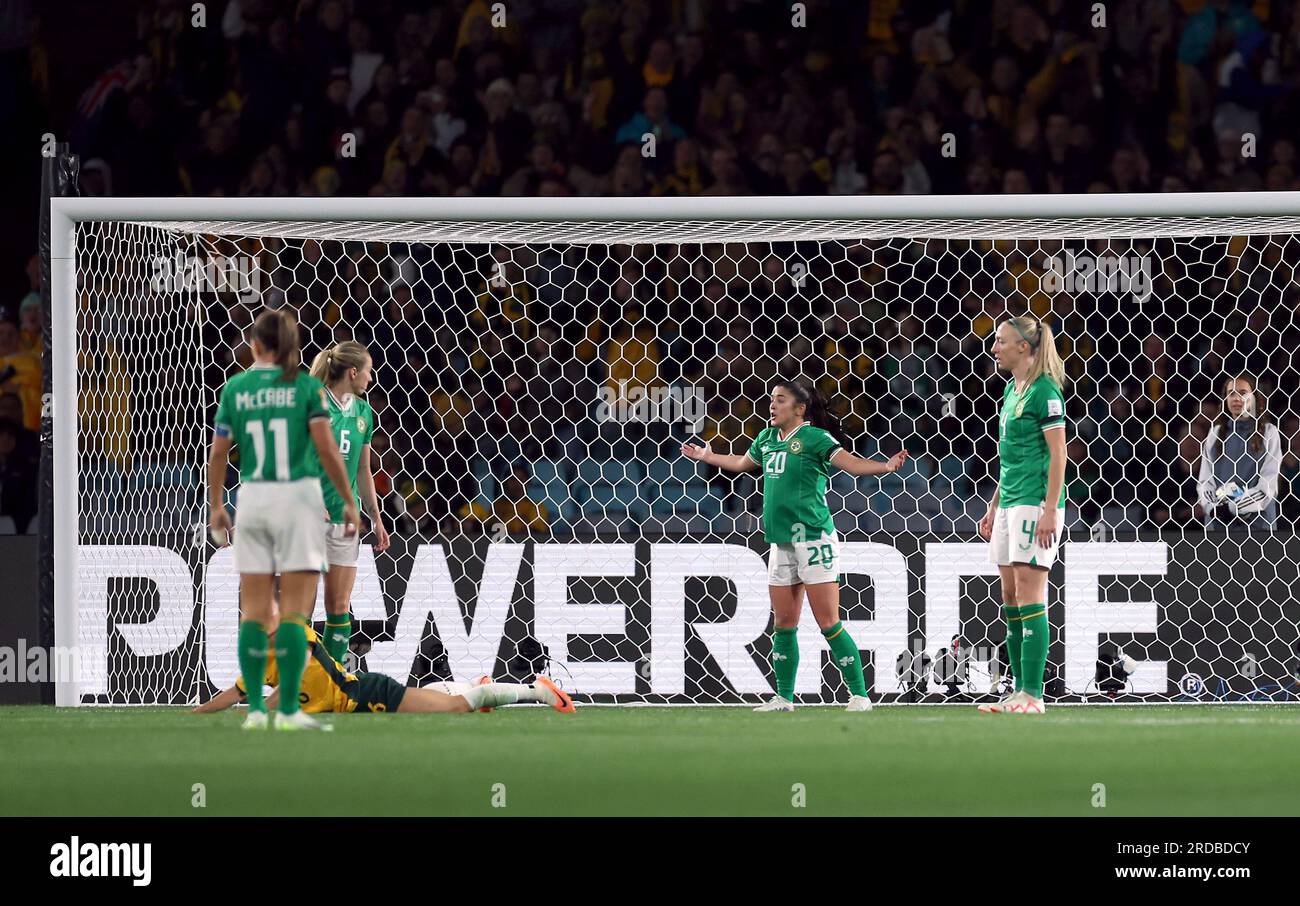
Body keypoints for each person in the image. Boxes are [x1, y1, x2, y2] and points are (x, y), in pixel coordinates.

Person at [682, 379, 907, 712]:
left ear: (799, 409)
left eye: (781, 400)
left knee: (828, 622)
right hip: (780, 541)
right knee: (783, 624)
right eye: (772, 399)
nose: (772, 405)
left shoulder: (815, 438)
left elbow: (851, 463)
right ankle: (783, 698)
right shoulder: (767, 438)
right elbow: (743, 464)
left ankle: (860, 695)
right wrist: (710, 456)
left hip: (814, 538)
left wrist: (884, 466)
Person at [207, 309, 360, 731]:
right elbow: (327, 449)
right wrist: (348, 500)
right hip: (298, 500)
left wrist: (217, 503)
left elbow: (219, 453)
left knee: (254, 609)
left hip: (254, 500)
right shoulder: (306, 388)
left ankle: (256, 708)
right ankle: (289, 707)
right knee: (295, 613)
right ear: (292, 345)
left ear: (255, 345)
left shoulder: (236, 388)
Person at [193, 609, 573, 717]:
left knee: (456, 708)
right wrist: (196, 714)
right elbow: (233, 694)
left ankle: (536, 691)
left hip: (367, 693)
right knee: (442, 700)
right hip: (358, 702)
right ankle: (476, 686)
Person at [977, 316, 1068, 716]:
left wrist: (1050, 510)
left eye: (1000, 341)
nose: (994, 348)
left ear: (1023, 348)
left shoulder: (1045, 391)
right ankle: (1017, 692)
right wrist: (993, 504)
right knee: (1010, 597)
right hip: (1010, 503)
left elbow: (1059, 454)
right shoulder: (1013, 390)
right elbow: (1009, 458)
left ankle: (1034, 694)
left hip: (1035, 503)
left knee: (1031, 597)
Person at [308, 341, 390, 665]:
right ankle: (296, 682)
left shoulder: (364, 412)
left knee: (339, 606)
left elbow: (363, 469)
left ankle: (330, 678)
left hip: (345, 521)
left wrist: (376, 517)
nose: (371, 378)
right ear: (353, 372)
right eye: (368, 371)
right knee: (301, 606)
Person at [1197, 375, 1282, 532]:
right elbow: (1205, 481)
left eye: (1243, 393)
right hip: (1218, 525)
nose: (1236, 398)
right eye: (1231, 393)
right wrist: (1214, 509)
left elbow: (1268, 485)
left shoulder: (1269, 432)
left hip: (1257, 527)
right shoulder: (1215, 433)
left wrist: (1233, 507)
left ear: (1255, 397)